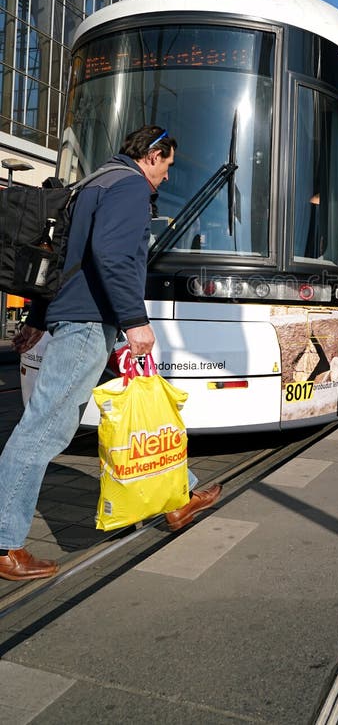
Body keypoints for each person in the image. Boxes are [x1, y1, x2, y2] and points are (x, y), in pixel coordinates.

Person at [0, 126, 222, 582]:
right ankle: (6, 544)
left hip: (90, 317)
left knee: (149, 404)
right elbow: (111, 256)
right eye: (167, 166)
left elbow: (61, 258)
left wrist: (39, 319)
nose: (165, 178)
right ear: (153, 156)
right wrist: (136, 321)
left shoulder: (93, 183)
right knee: (42, 430)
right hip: (90, 322)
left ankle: (179, 497)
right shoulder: (129, 187)